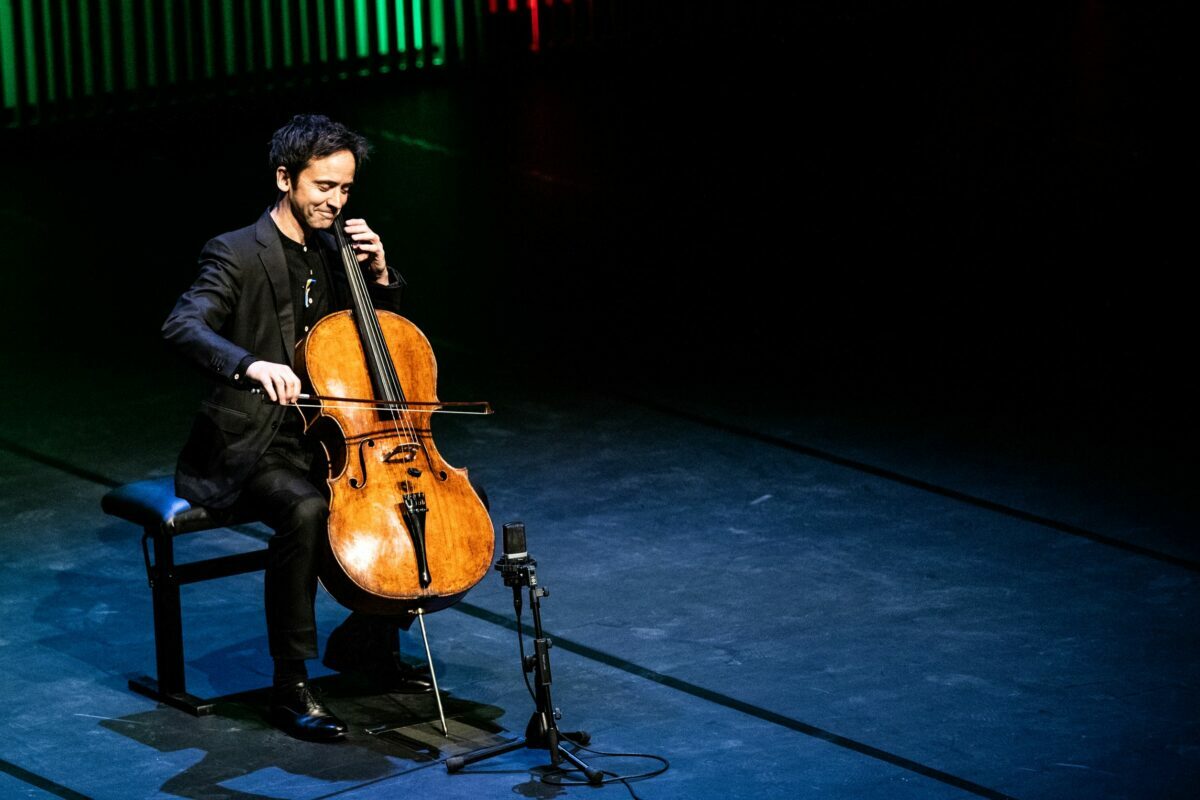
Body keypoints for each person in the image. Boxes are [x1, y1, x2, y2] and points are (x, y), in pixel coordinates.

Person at [162, 113, 435, 743]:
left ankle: (367, 639)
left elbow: (380, 345)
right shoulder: (234, 251)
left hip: (336, 436)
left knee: (402, 500)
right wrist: (249, 364)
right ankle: (291, 685)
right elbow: (183, 326)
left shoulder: (343, 248)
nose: (335, 202)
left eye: (344, 189)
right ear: (286, 178)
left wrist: (380, 275)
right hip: (254, 442)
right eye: (322, 187)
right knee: (308, 511)